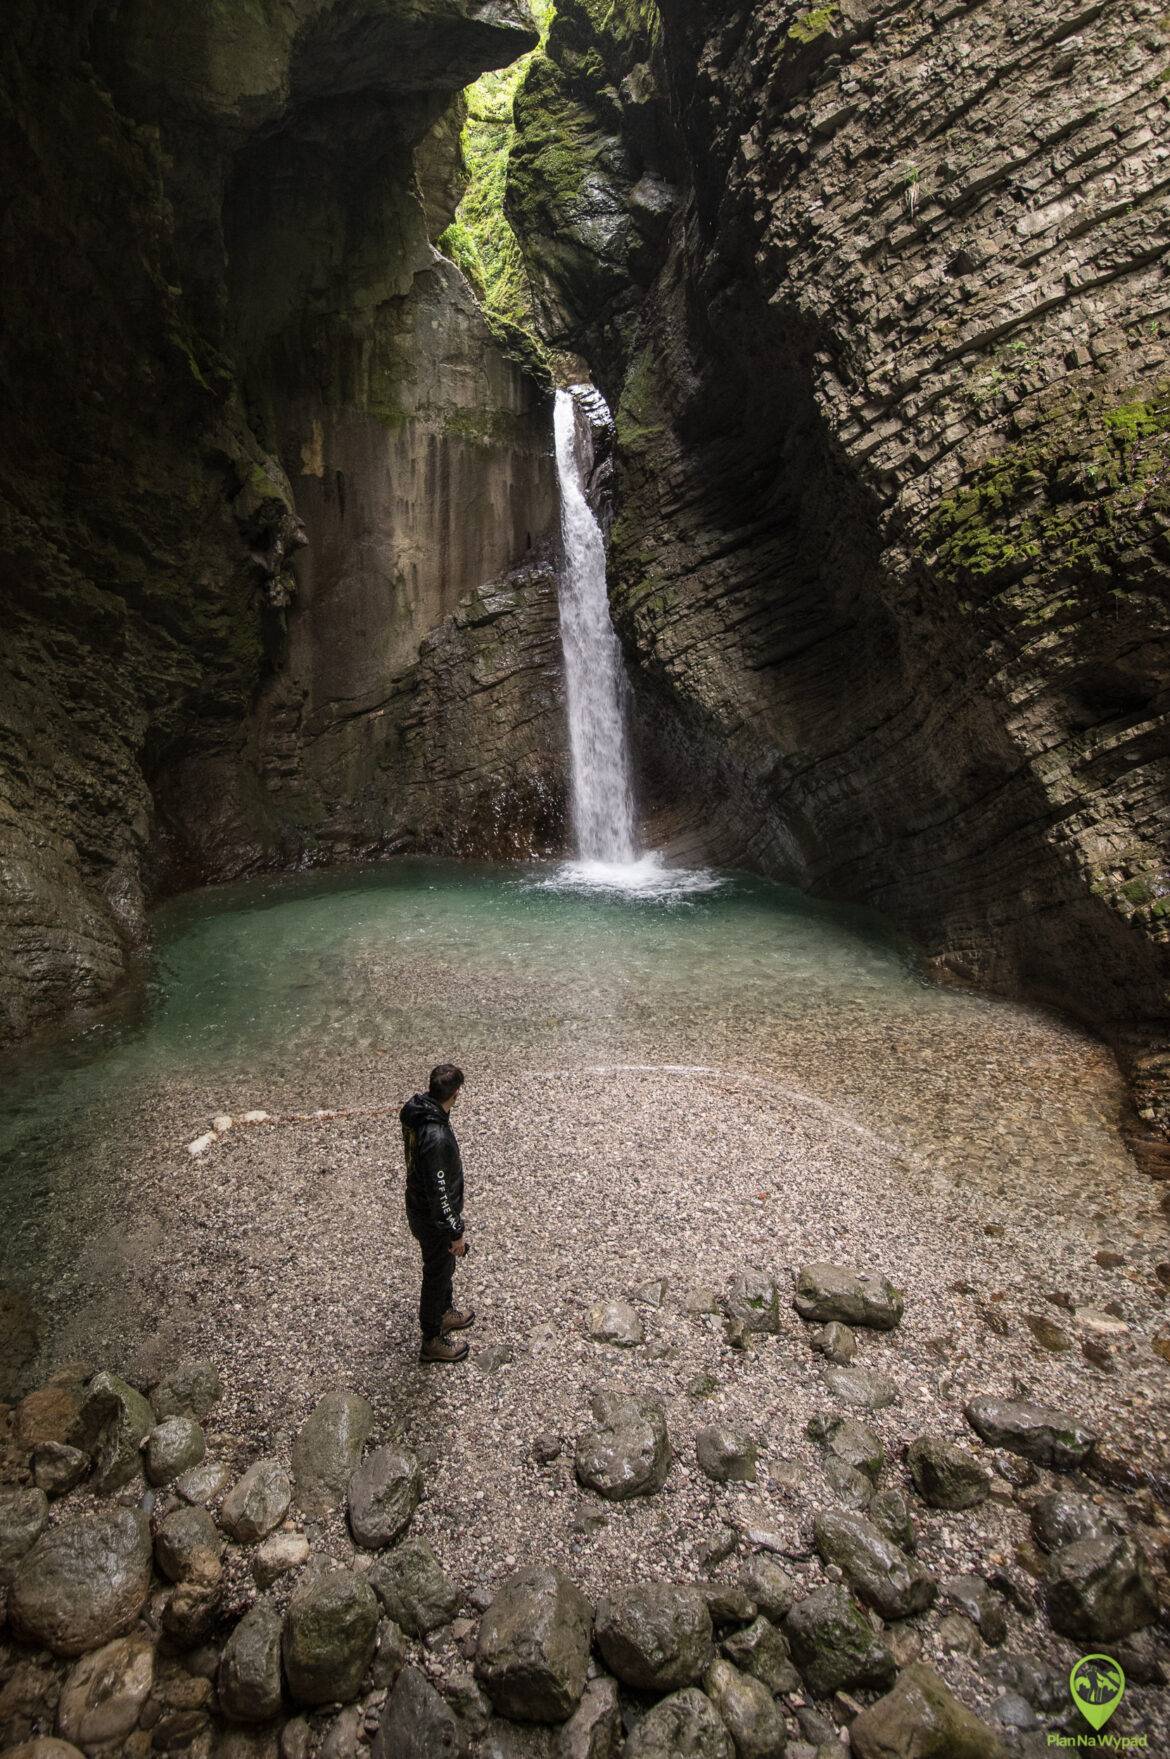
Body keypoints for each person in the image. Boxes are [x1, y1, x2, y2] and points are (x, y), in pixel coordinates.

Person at [400, 1063, 475, 1363]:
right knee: (437, 1272)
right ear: (456, 1093)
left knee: (443, 1268)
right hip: (432, 1218)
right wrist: (455, 1231)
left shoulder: (420, 1113)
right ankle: (431, 1339)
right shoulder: (436, 1137)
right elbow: (440, 1192)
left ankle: (444, 1312)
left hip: (420, 1206)